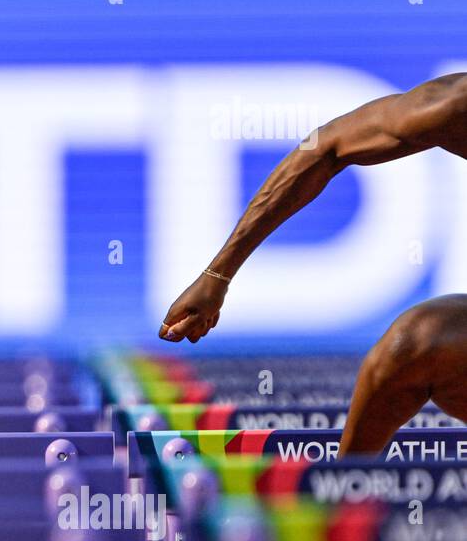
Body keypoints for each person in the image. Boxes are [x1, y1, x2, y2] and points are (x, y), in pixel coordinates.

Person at [159, 73, 467, 455]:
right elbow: (327, 146)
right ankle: (350, 484)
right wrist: (217, 274)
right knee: (414, 342)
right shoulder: (456, 105)